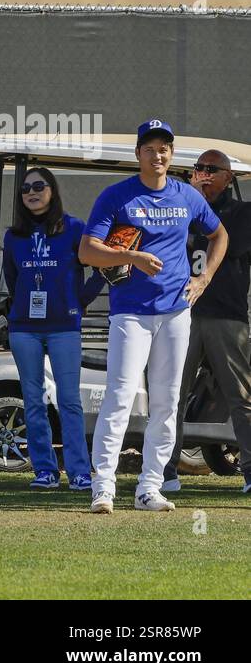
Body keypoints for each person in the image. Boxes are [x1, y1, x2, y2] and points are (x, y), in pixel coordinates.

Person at [79, 120, 226, 513]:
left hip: (176, 312)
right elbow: (87, 251)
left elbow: (219, 235)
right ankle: (104, 487)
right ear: (138, 154)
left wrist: (204, 278)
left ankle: (150, 486)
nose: (157, 155)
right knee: (120, 397)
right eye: (150, 148)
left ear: (172, 154)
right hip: (131, 313)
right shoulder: (118, 195)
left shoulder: (188, 196)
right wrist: (130, 257)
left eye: (164, 148)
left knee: (167, 401)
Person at [2, 166, 103, 491]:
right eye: (26, 188)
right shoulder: (13, 236)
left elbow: (102, 267)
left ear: (52, 190)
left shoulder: (74, 228)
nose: (32, 192)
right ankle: (45, 471)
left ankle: (79, 472)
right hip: (24, 330)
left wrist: (80, 300)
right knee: (32, 400)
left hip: (64, 327)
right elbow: (12, 278)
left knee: (70, 401)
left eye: (39, 186)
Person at [162, 149, 251, 493]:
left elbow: (225, 246)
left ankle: (249, 472)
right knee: (171, 394)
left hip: (225, 316)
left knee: (240, 396)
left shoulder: (241, 214)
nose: (203, 174)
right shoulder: (179, 209)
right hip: (180, 313)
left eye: (212, 169)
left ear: (229, 177)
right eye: (198, 168)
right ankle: (164, 469)